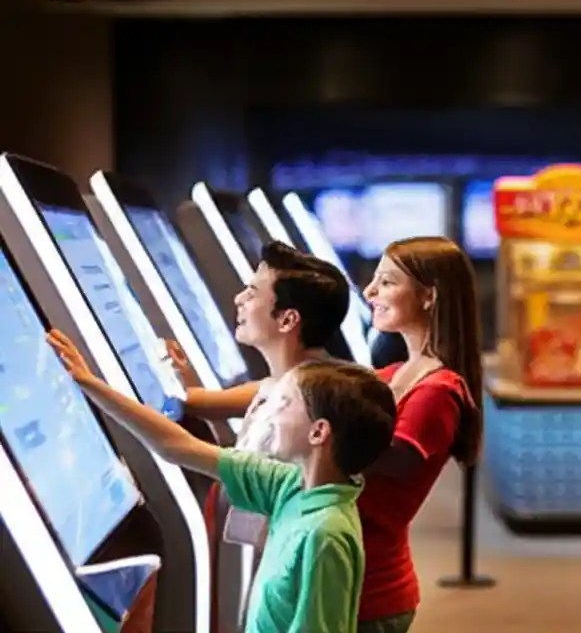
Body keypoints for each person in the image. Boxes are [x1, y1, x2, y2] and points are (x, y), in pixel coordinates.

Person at [48, 330, 396, 633]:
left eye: (287, 404)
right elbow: (176, 446)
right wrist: (90, 383)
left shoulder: (326, 533)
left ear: (319, 432)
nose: (272, 412)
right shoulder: (291, 485)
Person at [170, 241, 349, 627]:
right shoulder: (290, 383)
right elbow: (198, 401)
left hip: (267, 581)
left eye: (252, 291)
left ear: (287, 320)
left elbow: (179, 445)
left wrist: (86, 381)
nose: (239, 299)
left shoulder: (298, 407)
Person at [355, 236, 484, 633]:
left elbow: (371, 457)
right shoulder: (394, 374)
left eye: (388, 282)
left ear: (429, 296)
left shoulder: (438, 392)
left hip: (371, 589)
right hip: (350, 573)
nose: (369, 291)